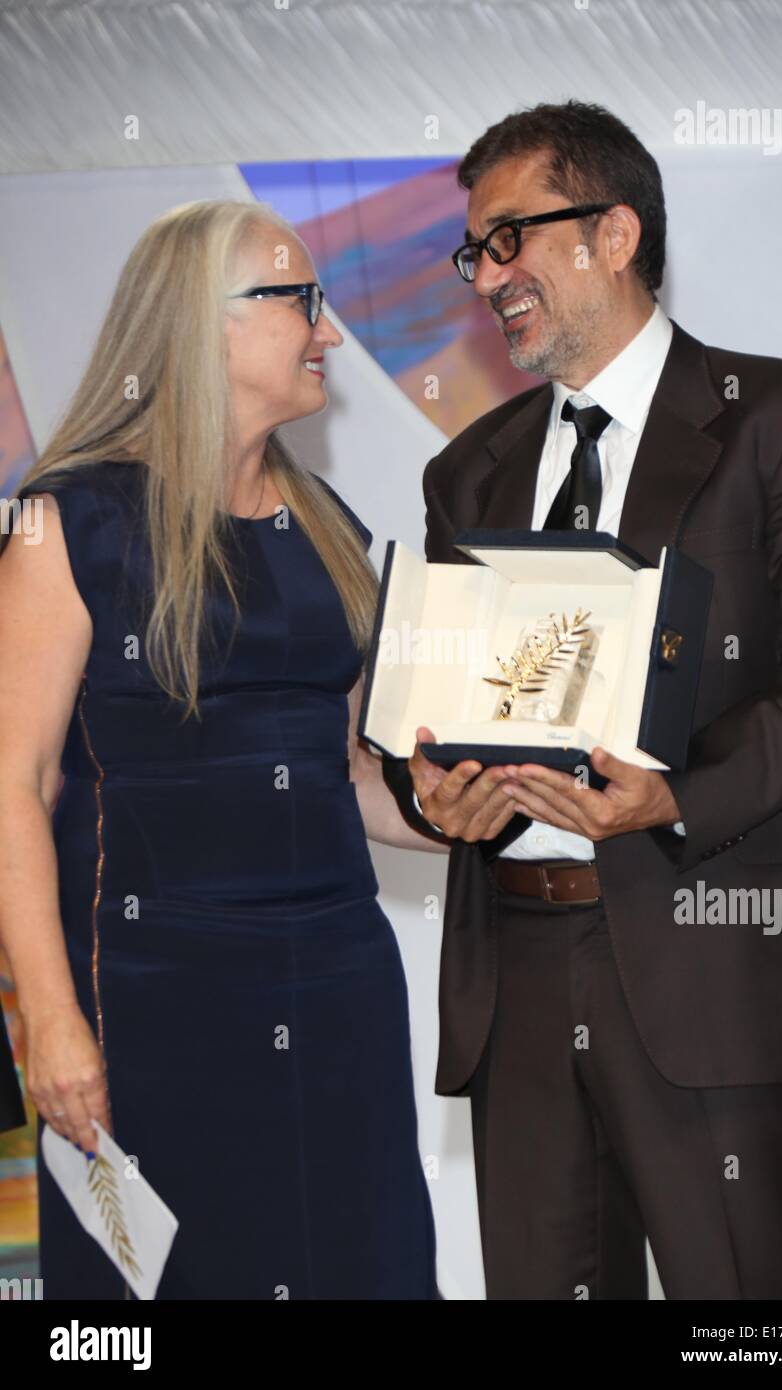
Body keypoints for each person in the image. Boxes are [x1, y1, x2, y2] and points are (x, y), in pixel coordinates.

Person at [383, 100, 782, 1299]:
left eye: (510, 240)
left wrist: (671, 799)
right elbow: (439, 705)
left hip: (709, 955)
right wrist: (430, 785)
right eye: (473, 251)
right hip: (517, 973)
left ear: (610, 231)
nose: (486, 276)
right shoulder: (469, 466)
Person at [0, 199, 446, 1299]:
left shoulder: (326, 524)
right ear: (204, 322)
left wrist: (452, 810)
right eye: (301, 301)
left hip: (338, 990)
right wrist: (52, 1021)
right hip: (155, 1002)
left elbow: (350, 776)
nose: (328, 332)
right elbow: (13, 782)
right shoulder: (66, 522)